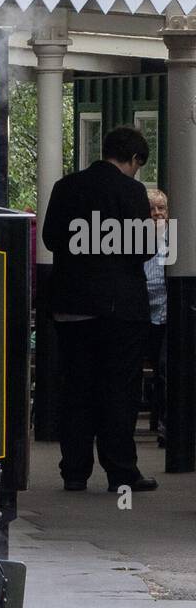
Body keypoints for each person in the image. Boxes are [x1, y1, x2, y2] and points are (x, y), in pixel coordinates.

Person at [42, 126, 158, 493]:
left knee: (75, 388)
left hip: (71, 307)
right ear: (135, 159)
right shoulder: (132, 191)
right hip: (119, 310)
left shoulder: (66, 188)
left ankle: (74, 472)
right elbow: (141, 248)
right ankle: (121, 472)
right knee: (117, 391)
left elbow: (49, 238)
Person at [143, 189, 168, 444]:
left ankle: (165, 426)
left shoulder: (175, 240)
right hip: (141, 315)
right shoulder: (135, 240)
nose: (158, 213)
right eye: (152, 209)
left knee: (165, 369)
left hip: (167, 314)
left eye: (162, 209)